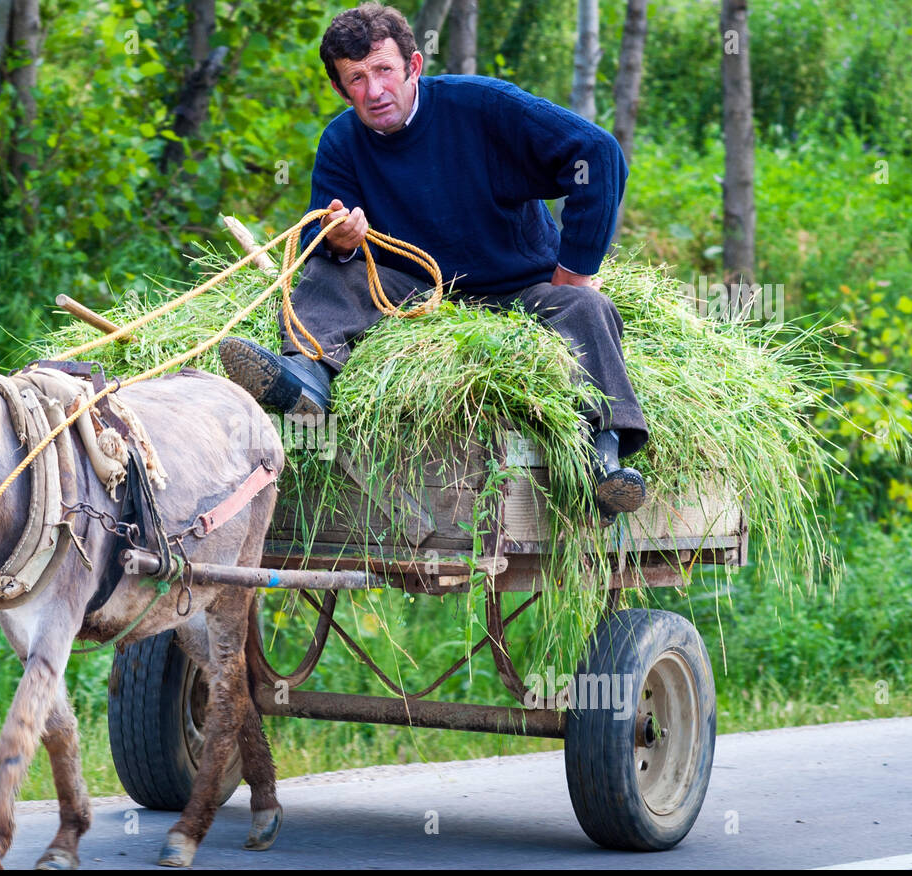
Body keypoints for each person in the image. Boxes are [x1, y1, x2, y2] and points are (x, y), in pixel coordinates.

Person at [218, 2, 649, 516]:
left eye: (384, 70)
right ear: (339, 87)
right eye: (356, 78)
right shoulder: (340, 142)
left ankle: (604, 459)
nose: (374, 91)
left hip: (519, 289)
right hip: (413, 293)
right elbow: (322, 237)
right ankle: (308, 377)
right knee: (329, 274)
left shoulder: (483, 108)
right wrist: (342, 239)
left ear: (414, 67)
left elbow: (597, 154)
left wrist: (574, 272)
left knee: (587, 311)